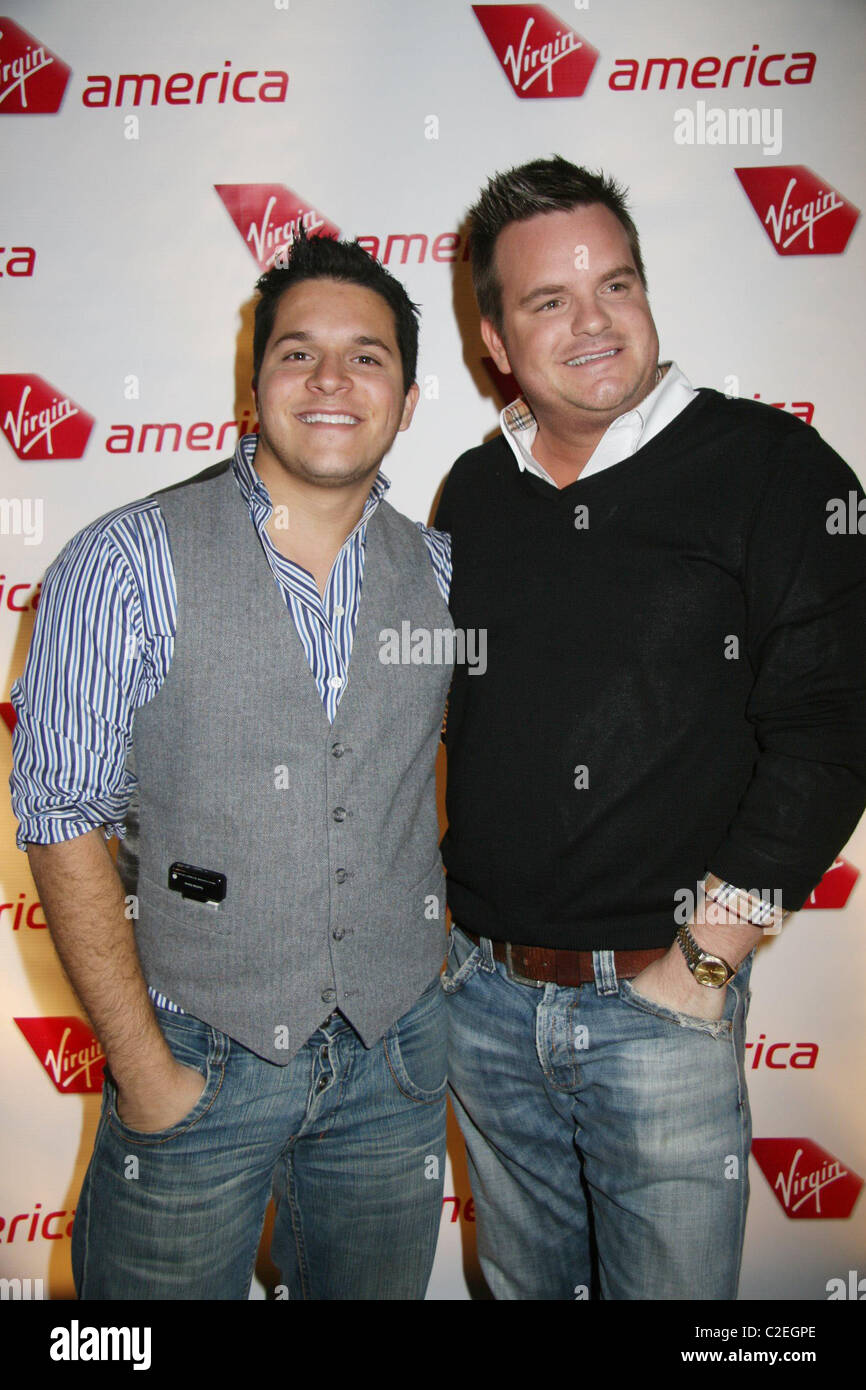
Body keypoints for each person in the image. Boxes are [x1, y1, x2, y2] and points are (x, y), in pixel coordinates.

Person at [434, 155, 866, 1300]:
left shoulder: (773, 470)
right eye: (547, 300)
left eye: (614, 285)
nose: (593, 322)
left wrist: (701, 964)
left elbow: (831, 728)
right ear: (492, 340)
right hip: (479, 1003)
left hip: (658, 1009)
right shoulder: (472, 494)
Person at [10, 231, 455, 1300]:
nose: (332, 380)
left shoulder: (446, 573)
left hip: (393, 1066)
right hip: (193, 1056)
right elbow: (60, 813)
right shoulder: (125, 560)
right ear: (251, 386)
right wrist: (144, 1069)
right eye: (297, 353)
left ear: (405, 391)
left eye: (366, 355)